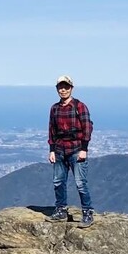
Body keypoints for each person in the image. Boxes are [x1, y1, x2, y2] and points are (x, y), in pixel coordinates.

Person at [47, 74, 93, 225]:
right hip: (60, 150)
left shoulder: (79, 106)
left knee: (80, 183)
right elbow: (52, 130)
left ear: (71, 88)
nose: (63, 90)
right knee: (58, 182)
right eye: (60, 87)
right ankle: (61, 210)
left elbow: (87, 127)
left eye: (66, 87)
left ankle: (87, 212)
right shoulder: (54, 109)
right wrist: (52, 150)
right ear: (57, 89)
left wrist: (84, 148)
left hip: (76, 149)